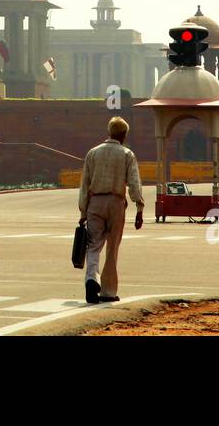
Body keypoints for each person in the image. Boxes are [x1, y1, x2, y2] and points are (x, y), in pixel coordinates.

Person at [77, 116, 145, 305]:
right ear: (124, 135)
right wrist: (139, 208)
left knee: (93, 246)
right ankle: (108, 291)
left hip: (95, 202)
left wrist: (83, 212)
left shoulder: (93, 153)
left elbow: (85, 185)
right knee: (112, 248)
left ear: (108, 132)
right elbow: (133, 183)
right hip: (116, 202)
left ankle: (91, 279)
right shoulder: (126, 154)